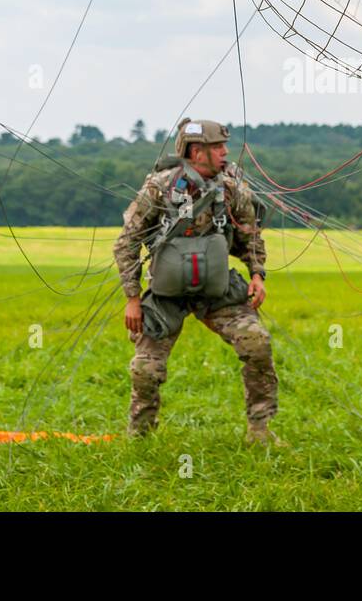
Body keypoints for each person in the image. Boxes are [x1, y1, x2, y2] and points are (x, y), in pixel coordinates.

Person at [112, 118, 284, 445]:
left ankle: (260, 431)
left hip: (217, 291)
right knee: (145, 369)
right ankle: (140, 438)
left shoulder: (231, 189)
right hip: (167, 295)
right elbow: (127, 242)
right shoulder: (159, 188)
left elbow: (250, 234)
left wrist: (257, 275)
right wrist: (133, 298)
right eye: (217, 147)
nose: (224, 153)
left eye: (223, 146)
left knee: (257, 343)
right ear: (196, 151)